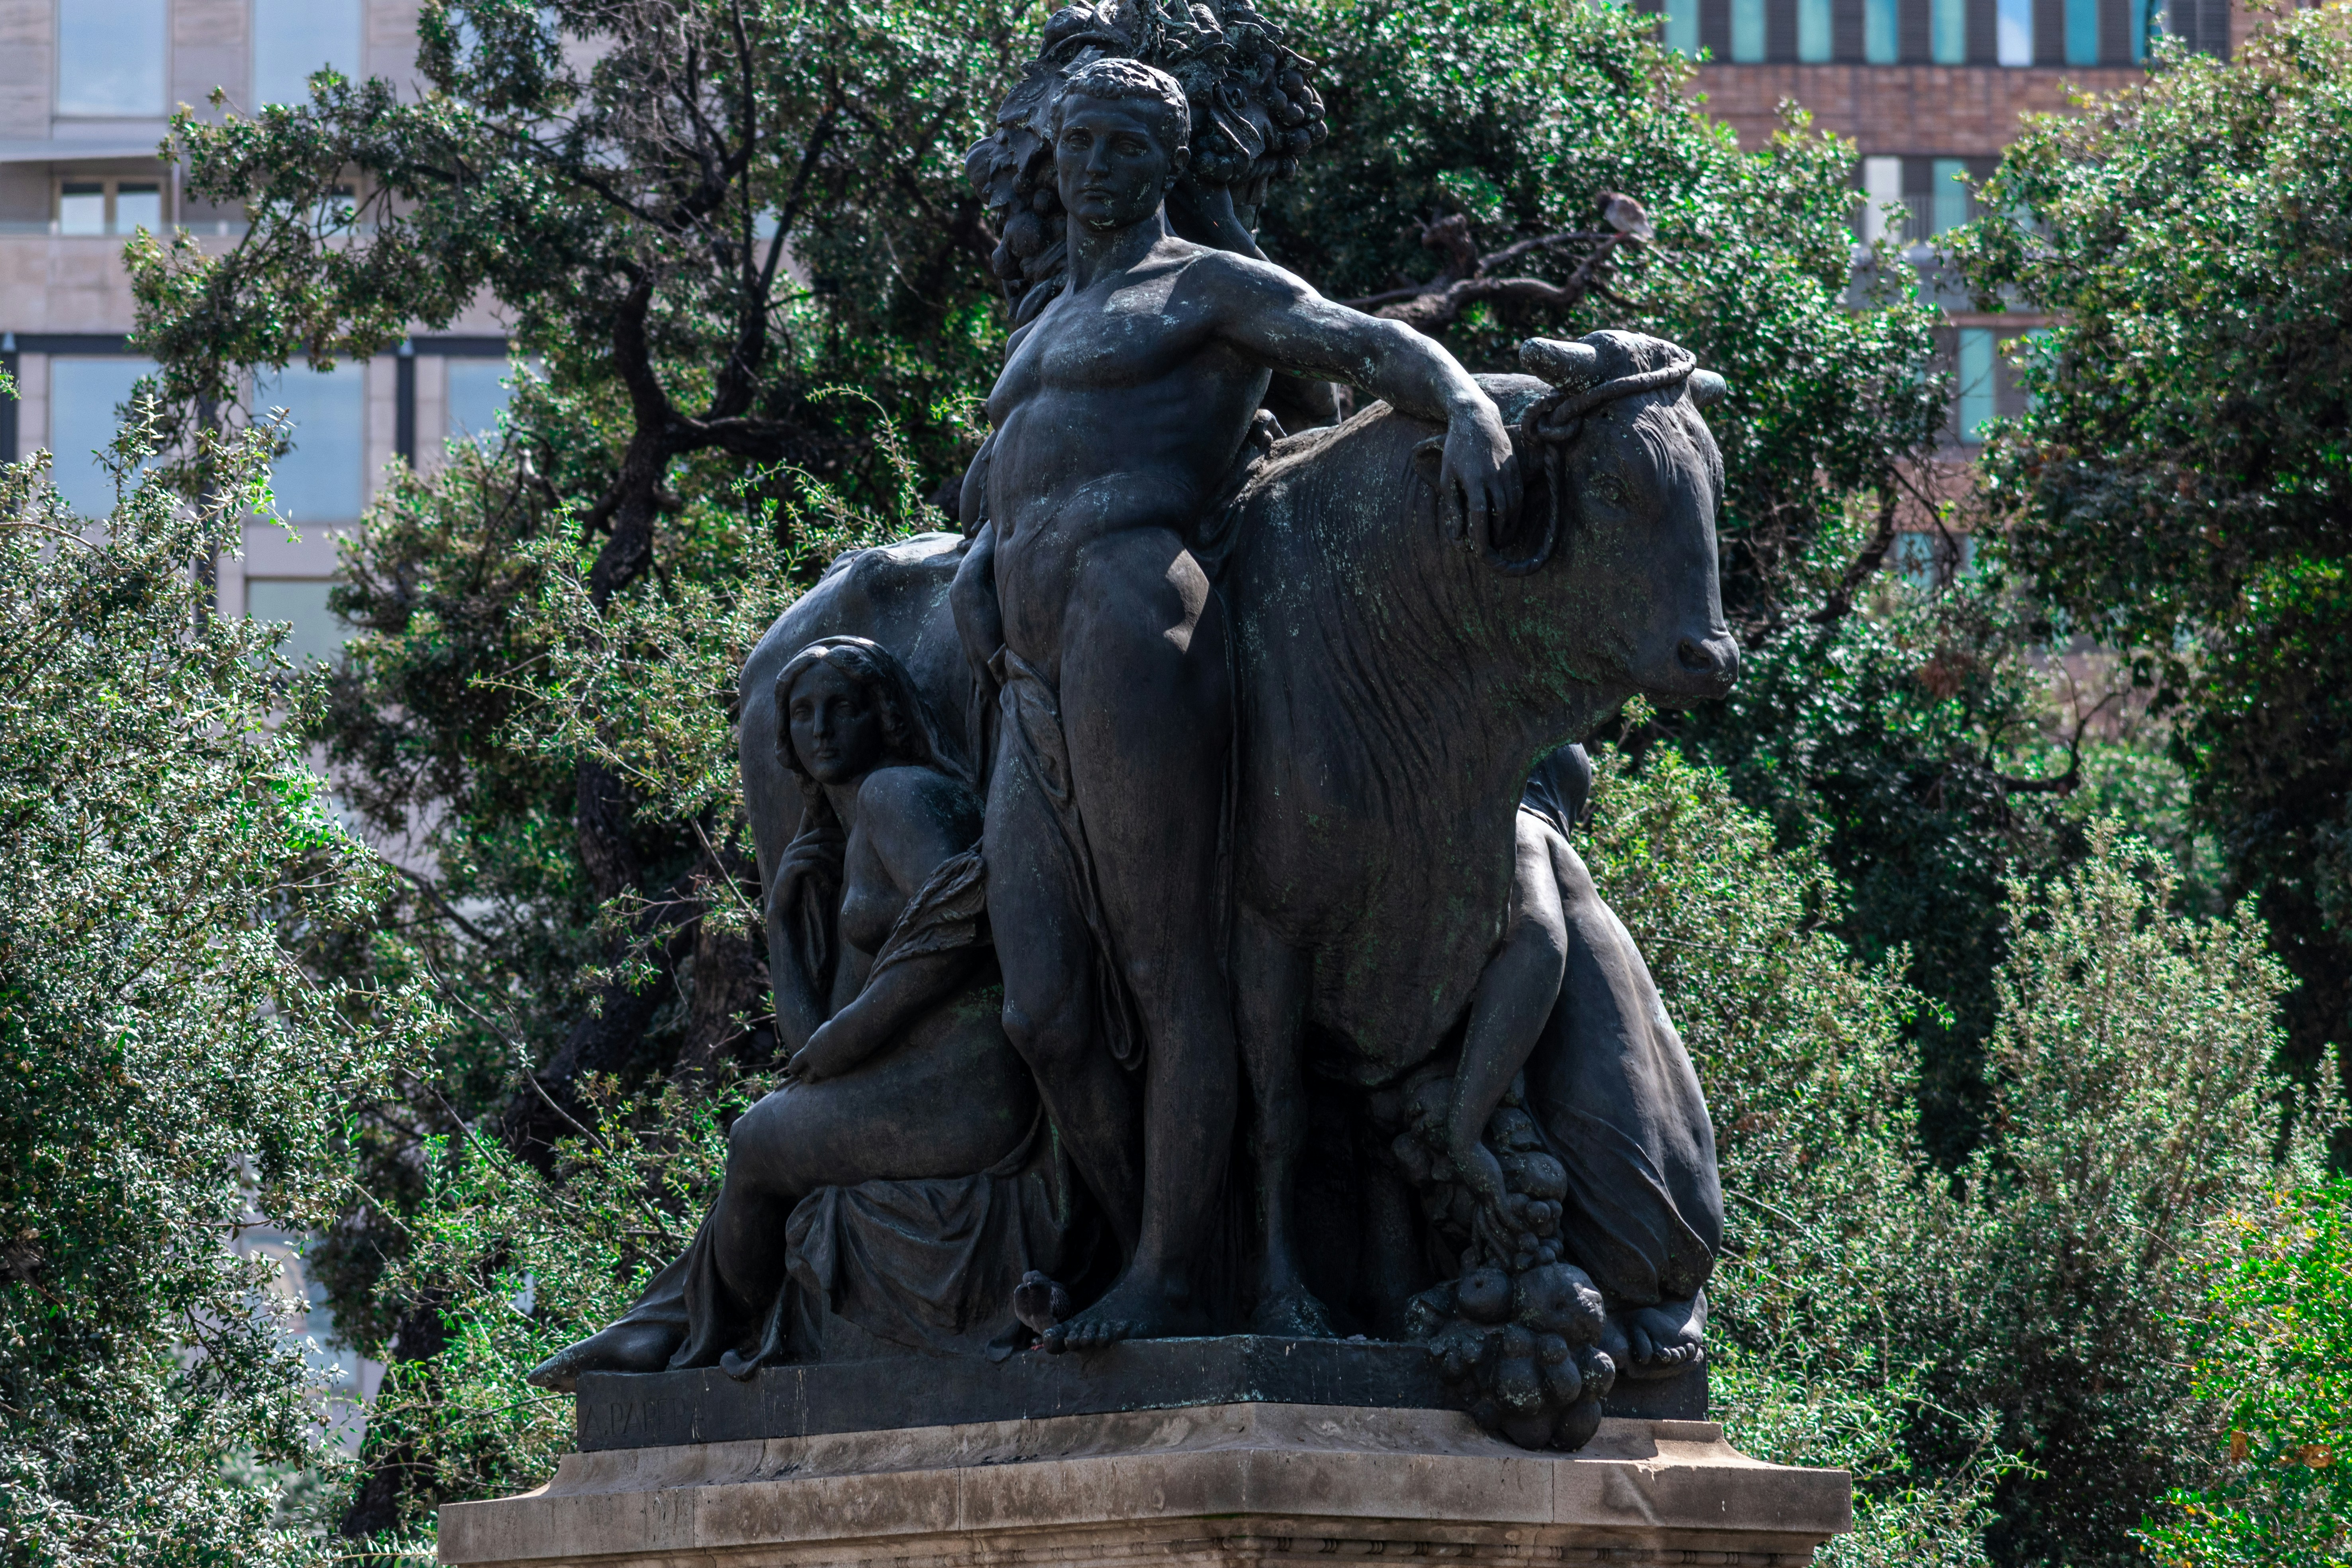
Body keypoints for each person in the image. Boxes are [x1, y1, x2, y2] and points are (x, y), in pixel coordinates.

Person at [947, 55, 1522, 1348]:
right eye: (1076, 141)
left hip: (1133, 623)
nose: (1090, 164)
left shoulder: (1202, 287)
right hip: (1023, 675)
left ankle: (1168, 1272)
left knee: (1168, 967)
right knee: (1040, 1007)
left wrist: (1470, 399)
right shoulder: (1043, 321)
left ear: (1163, 161)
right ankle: (1131, 1234)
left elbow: (1359, 342)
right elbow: (1001, 489)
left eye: (1118, 144)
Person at [527, 638, 1048, 1387]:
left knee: (756, 1143)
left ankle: (688, 1333)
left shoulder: (896, 793)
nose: (823, 728)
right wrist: (782, 925)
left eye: (843, 707)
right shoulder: (831, 845)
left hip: (969, 1085)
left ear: (886, 718)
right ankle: (666, 1327)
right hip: (908, 1081)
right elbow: (808, 1052)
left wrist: (849, 1034)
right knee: (765, 1133)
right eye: (803, 713)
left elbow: (964, 919)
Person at [1444, 746, 1721, 1376]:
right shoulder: (1591, 896)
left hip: (1623, 1226)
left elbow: (1537, 946)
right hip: (1698, 1219)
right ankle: (1673, 1299)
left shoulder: (1516, 832)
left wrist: (1464, 1127)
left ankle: (1620, 1297)